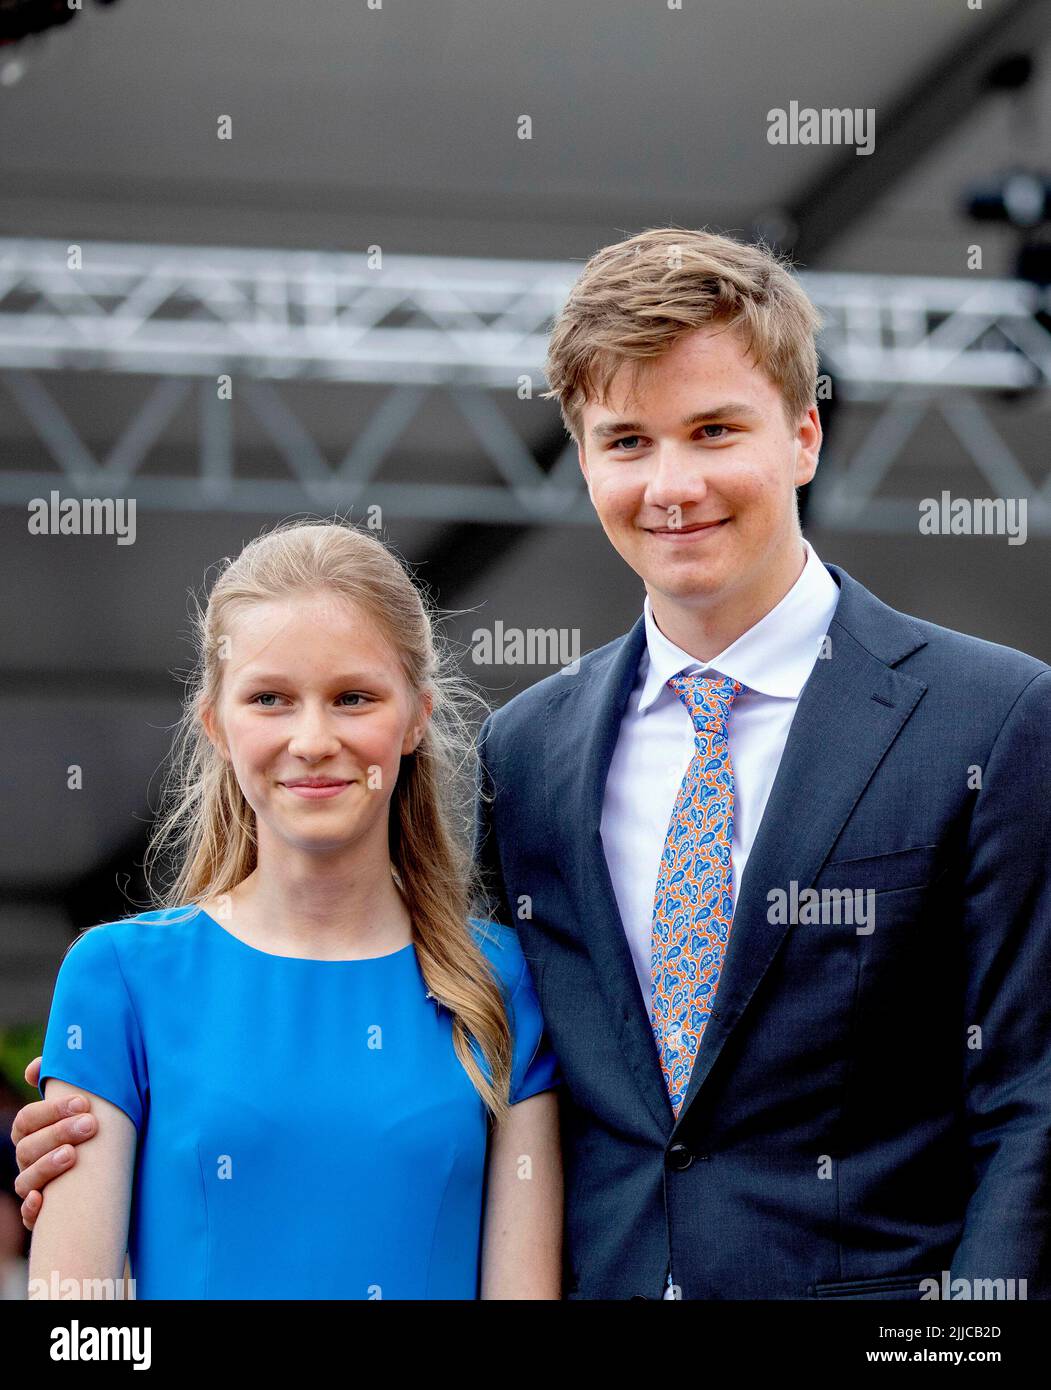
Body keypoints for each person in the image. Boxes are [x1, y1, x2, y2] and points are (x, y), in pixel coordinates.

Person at [15, 227, 1051, 1300]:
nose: (672, 483)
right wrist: (114, 1116)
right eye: (627, 441)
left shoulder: (990, 719)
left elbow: (1031, 1094)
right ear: (583, 456)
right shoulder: (533, 750)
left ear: (802, 435)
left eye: (712, 430)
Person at [16, 520, 561, 1299]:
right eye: (270, 698)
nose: (312, 739)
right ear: (215, 722)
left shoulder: (499, 981)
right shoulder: (117, 978)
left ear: (414, 717)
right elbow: (76, 1335)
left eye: (353, 697)